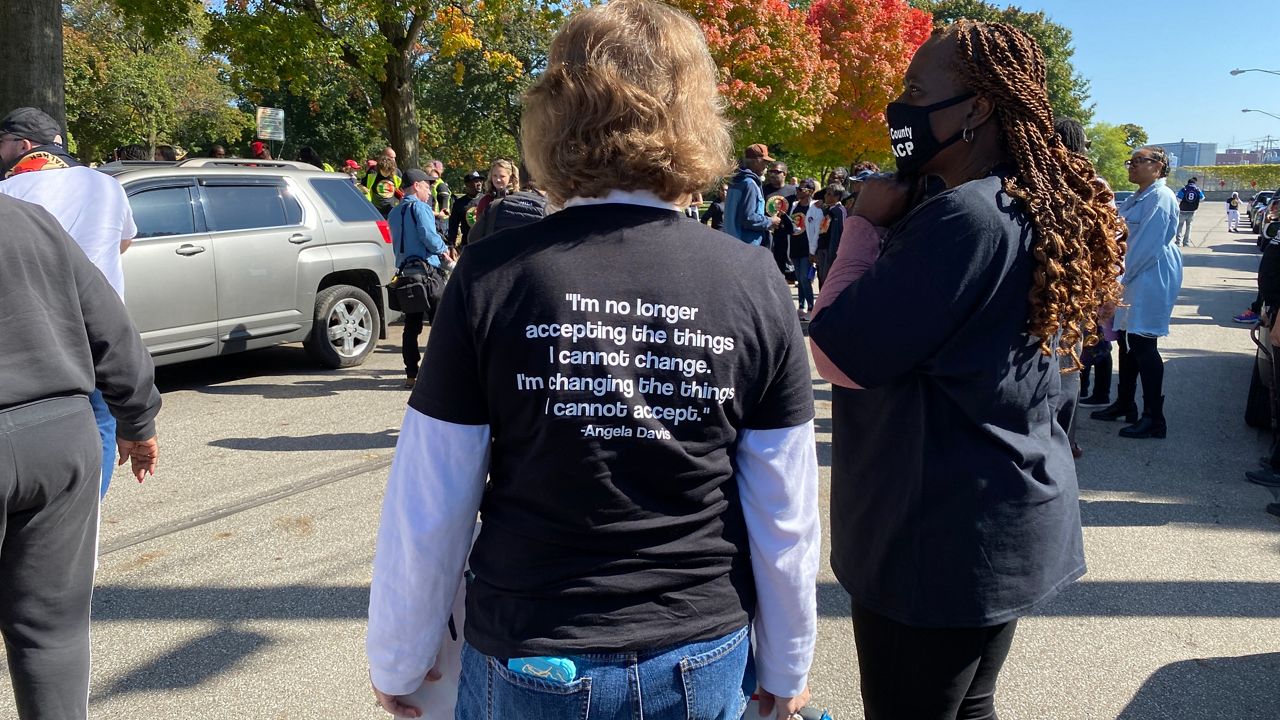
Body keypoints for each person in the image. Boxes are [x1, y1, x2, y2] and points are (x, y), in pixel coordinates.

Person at [367, 2, 819, 718]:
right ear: (695, 112)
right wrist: (789, 663)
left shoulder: (490, 276)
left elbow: (432, 499)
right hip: (699, 655)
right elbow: (784, 507)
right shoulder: (752, 280)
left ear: (556, 110)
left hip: (529, 647)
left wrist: (400, 653)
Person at [808, 20, 1124, 719]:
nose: (901, 108)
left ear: (978, 107)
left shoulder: (964, 219)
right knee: (969, 703)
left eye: (918, 91)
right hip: (998, 514)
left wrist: (861, 225)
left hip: (937, 535)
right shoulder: (1034, 203)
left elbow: (834, 352)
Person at [0, 192, 161, 720]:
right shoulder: (28, 219)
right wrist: (137, 422)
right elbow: (111, 327)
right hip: (59, 438)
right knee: (53, 634)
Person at [0, 107, 139, 498]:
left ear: (23, 145)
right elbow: (125, 241)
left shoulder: (9, 192)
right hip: (104, 326)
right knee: (103, 421)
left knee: (44, 422)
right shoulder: (106, 184)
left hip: (42, 328)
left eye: (3, 143)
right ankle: (87, 509)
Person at [1091, 146, 1182, 439]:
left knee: (1143, 343)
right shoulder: (1138, 196)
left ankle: (1154, 417)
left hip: (1148, 274)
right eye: (1130, 161)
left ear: (1159, 166)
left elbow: (1146, 246)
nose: (1132, 166)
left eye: (1139, 161)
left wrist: (1119, 280)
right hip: (1131, 274)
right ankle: (1125, 403)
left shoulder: (1160, 197)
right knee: (1127, 343)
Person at [389, 168, 451, 390]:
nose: (429, 191)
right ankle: (441, 372)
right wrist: (444, 250)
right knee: (442, 324)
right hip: (428, 274)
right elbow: (429, 237)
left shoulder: (393, 213)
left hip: (406, 274)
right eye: (427, 186)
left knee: (411, 326)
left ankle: (411, 374)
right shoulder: (420, 208)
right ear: (416, 185)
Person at [467, 165, 548, 243]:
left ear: (511, 178)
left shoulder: (517, 199)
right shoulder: (486, 201)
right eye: (495, 176)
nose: (498, 180)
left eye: (502, 176)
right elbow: (476, 235)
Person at [723, 143, 778, 245]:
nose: (766, 166)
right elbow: (749, 218)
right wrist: (771, 221)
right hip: (746, 245)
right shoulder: (749, 184)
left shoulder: (735, 181)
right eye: (765, 162)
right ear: (756, 161)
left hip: (731, 242)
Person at [790, 178, 821, 320]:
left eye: (801, 189)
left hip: (807, 248)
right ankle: (801, 306)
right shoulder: (794, 205)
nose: (797, 191)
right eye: (797, 188)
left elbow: (816, 231)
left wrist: (813, 251)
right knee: (799, 278)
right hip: (795, 247)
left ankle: (811, 307)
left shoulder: (815, 208)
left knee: (804, 278)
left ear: (810, 191)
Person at [763, 161, 797, 274]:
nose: (772, 174)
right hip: (768, 234)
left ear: (785, 174)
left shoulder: (793, 191)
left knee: (784, 270)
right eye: (770, 171)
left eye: (776, 172)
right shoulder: (763, 190)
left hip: (786, 235)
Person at [814, 183, 845, 285]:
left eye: (829, 194)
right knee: (822, 278)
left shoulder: (838, 211)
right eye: (826, 193)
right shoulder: (828, 209)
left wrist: (833, 253)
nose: (825, 196)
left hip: (830, 250)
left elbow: (837, 233)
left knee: (828, 280)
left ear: (836, 196)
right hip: (822, 247)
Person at [447, 169, 485, 247]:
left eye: (480, 181)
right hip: (467, 244)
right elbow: (453, 226)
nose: (479, 183)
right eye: (475, 181)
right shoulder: (459, 203)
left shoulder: (486, 200)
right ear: (467, 184)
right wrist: (451, 245)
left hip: (484, 242)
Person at [364, 148, 403, 217]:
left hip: (391, 209)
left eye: (394, 158)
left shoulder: (397, 172)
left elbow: (400, 189)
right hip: (375, 209)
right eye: (391, 157)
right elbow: (364, 185)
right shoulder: (373, 171)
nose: (393, 160)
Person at [425, 159, 452, 236]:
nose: (434, 181)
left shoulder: (441, 186)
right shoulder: (428, 187)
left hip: (439, 223)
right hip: (432, 220)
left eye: (436, 178)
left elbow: (444, 210)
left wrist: (439, 215)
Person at [1174, 175, 1203, 247]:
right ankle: (1186, 242)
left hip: (1183, 210)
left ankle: (1178, 242)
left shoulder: (1184, 189)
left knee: (1180, 226)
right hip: (1192, 211)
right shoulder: (1197, 189)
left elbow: (1178, 199)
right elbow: (1202, 199)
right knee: (1189, 227)